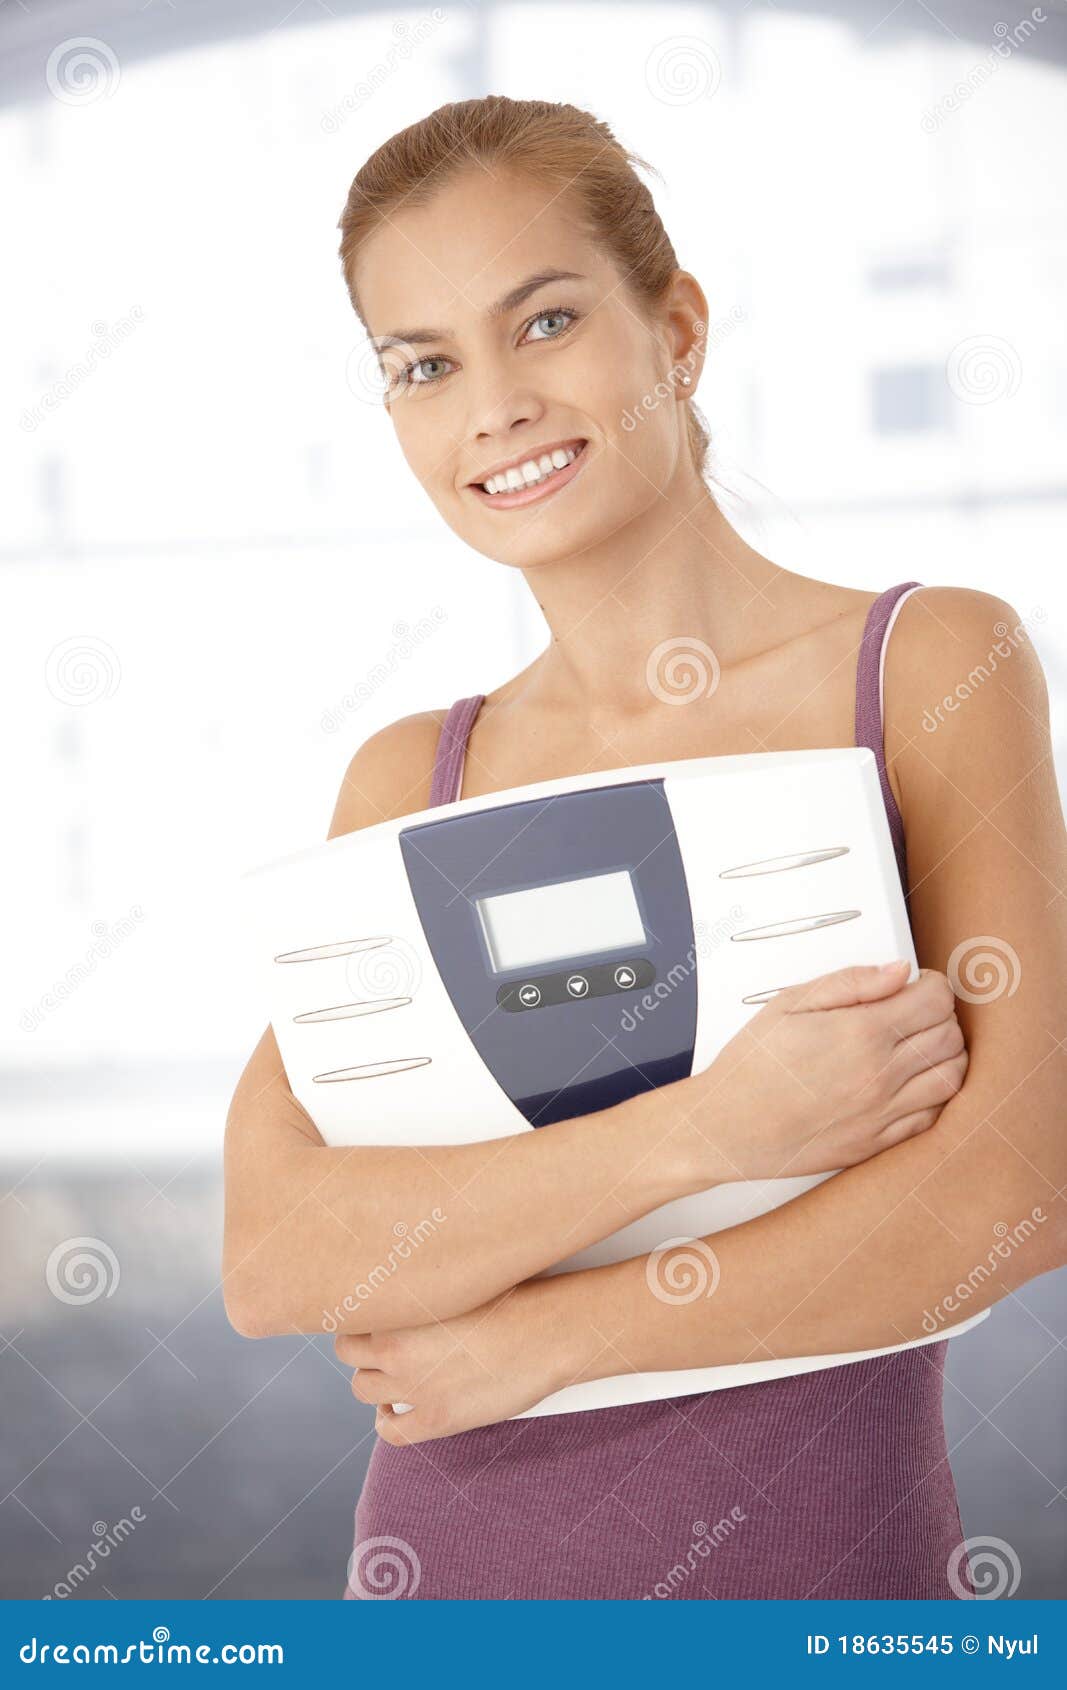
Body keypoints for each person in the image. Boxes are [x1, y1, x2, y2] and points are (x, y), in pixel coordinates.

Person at [223, 95, 1067, 1600]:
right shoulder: (412, 776)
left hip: (825, 1588)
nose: (489, 405)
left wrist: (539, 1334)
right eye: (423, 364)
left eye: (543, 321)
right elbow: (281, 1251)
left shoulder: (925, 667)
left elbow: (1015, 1188)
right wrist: (713, 1133)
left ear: (675, 327)